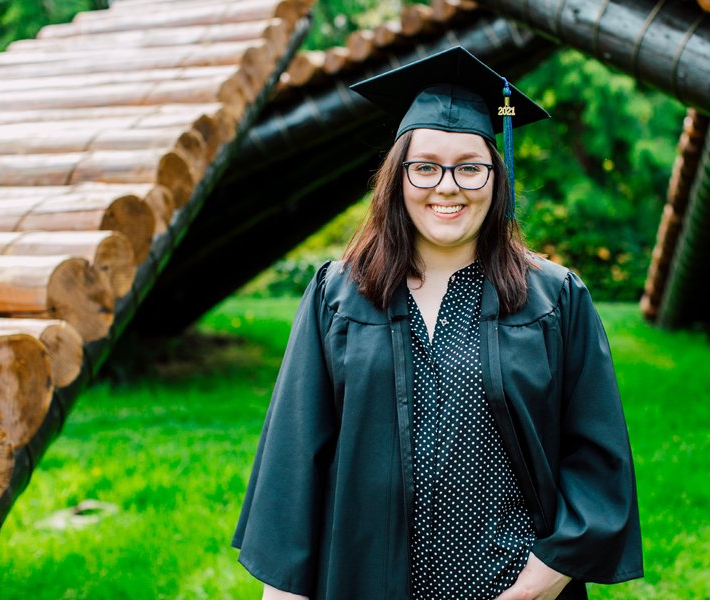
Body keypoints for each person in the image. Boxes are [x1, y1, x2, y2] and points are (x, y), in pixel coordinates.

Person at [232, 46, 642, 600]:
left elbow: (597, 460)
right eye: (425, 167)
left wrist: (533, 590)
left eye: (470, 167)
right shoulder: (338, 295)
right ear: (397, 178)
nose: (447, 186)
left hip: (513, 589)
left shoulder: (554, 298)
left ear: (496, 177)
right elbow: (295, 457)